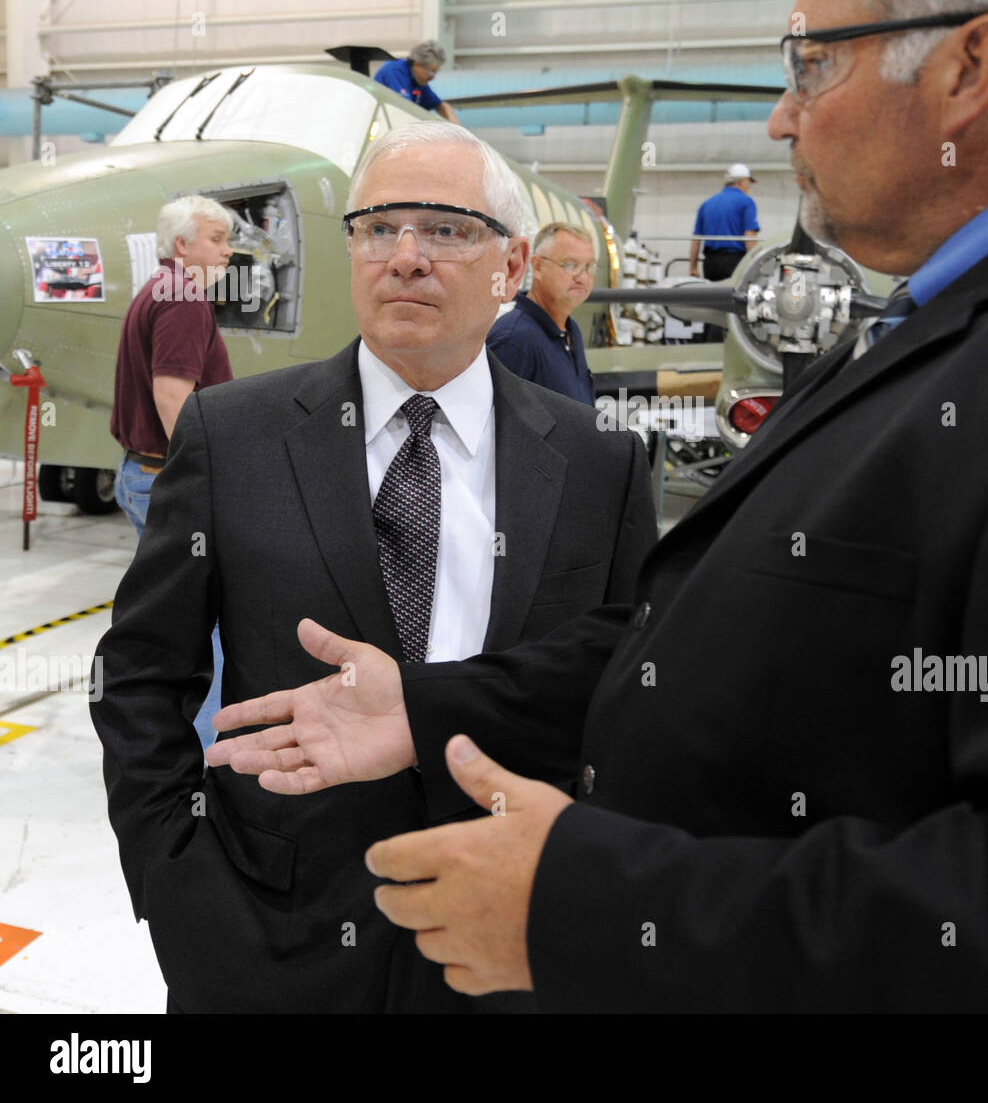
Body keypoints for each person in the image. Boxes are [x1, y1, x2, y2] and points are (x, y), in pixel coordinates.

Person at [208, 0, 988, 1013]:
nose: (782, 115)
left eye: (810, 62)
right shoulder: (965, 320)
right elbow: (721, 643)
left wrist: (588, 905)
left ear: (970, 66)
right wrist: (428, 707)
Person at [91, 121, 656, 1014]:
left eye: (445, 228)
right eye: (378, 227)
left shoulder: (598, 462)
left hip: (502, 951)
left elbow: (625, 691)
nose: (405, 256)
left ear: (510, 267)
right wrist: (179, 886)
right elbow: (139, 674)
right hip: (268, 938)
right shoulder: (233, 435)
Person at [110, 194, 234, 749]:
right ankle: (213, 752)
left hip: (142, 471)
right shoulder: (184, 295)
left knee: (176, 617)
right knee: (210, 623)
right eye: (217, 238)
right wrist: (204, 476)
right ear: (183, 245)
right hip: (167, 476)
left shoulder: (159, 289)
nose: (228, 252)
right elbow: (172, 395)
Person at [486, 221, 596, 405]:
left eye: (589, 267)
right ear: (537, 266)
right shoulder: (514, 339)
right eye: (570, 265)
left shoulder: (571, 331)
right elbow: (494, 423)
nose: (582, 277)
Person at [688, 163, 759, 281]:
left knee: (714, 297)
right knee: (734, 298)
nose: (749, 186)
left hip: (710, 263)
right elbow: (750, 237)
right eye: (748, 182)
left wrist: (693, 267)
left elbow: (696, 238)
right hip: (735, 262)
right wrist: (756, 264)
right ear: (740, 182)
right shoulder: (746, 202)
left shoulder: (707, 204)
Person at [374, 39, 460, 123]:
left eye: (435, 72)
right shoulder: (394, 71)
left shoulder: (419, 81)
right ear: (416, 63)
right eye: (431, 71)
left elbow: (440, 105)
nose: (432, 77)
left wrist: (456, 128)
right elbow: (405, 109)